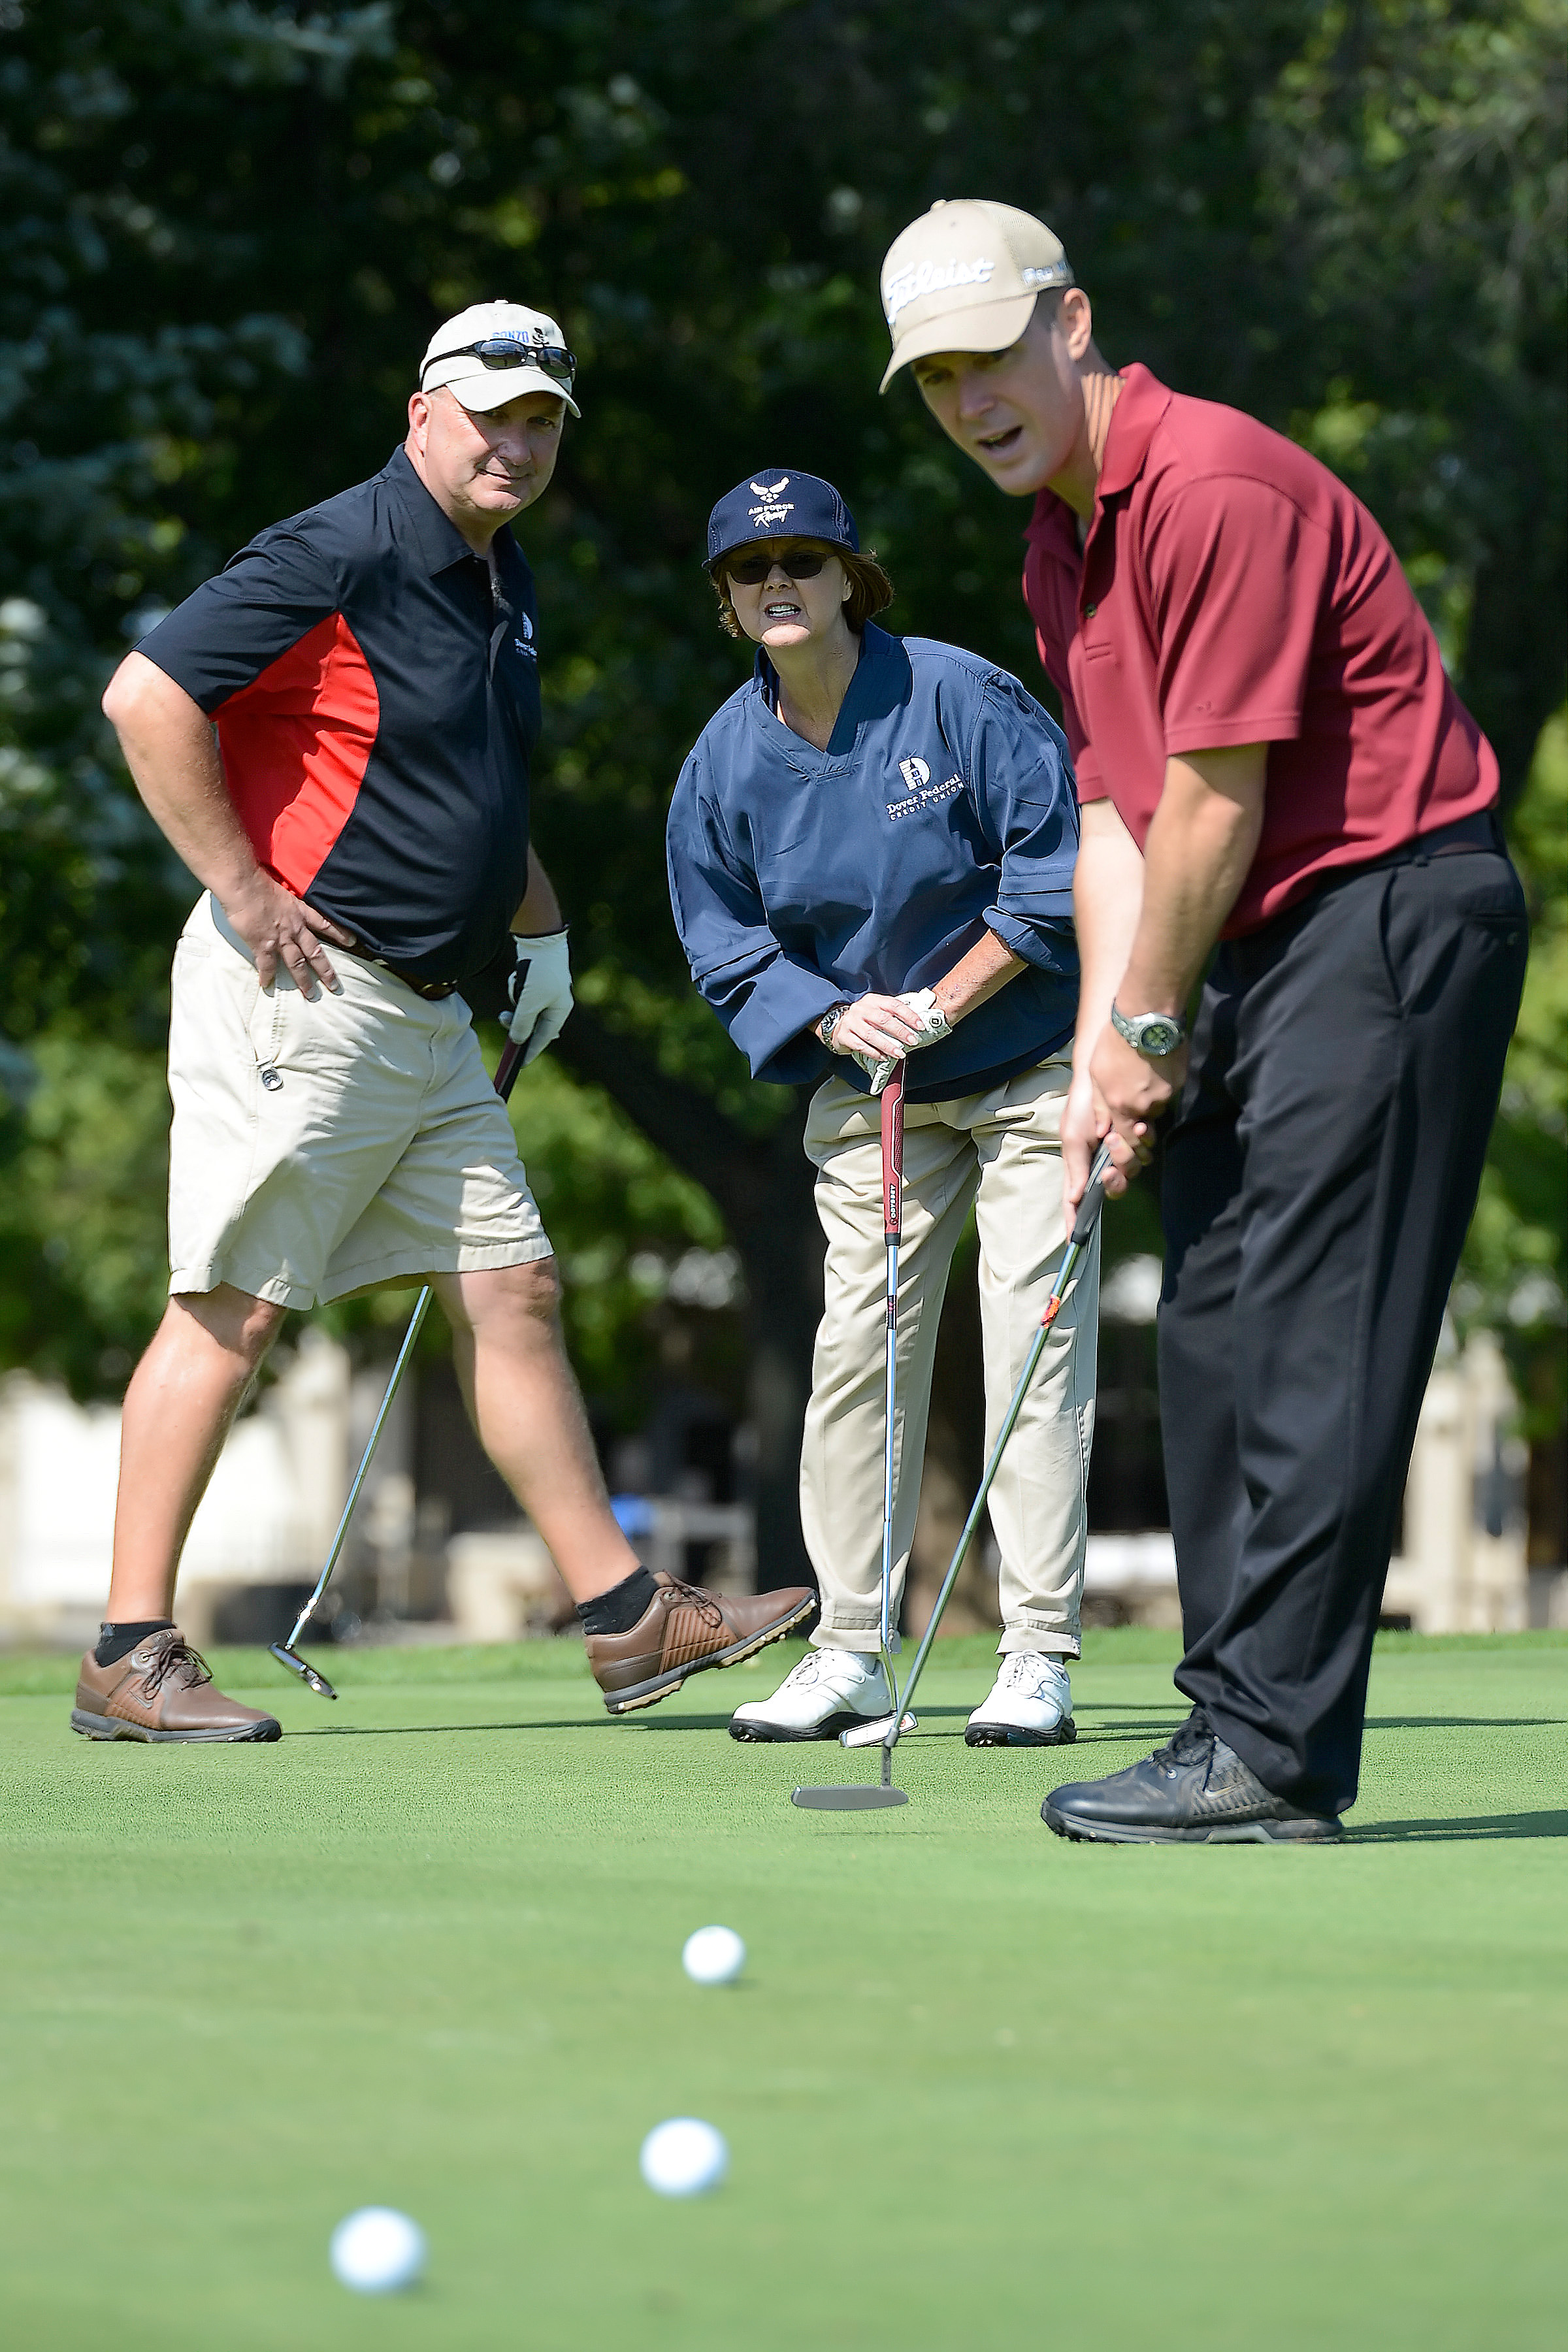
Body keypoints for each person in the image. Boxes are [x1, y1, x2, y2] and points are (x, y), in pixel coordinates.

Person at [879, 198, 1528, 1838]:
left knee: (1318, 1336)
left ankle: (1275, 1751)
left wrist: (1146, 1030)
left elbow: (1219, 803)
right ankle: (1232, 1731)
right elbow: (1114, 818)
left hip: (1388, 910)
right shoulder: (1061, 540)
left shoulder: (1215, 486)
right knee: (1220, 1332)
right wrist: (1104, 1048)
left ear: (1073, 324)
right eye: (935, 379)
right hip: (1243, 931)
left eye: (989, 356)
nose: (969, 402)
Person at [76, 301, 811, 1745]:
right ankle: (127, 1647)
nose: (518, 442)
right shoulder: (339, 548)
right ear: (423, 413)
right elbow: (146, 695)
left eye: (541, 419)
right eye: (492, 415)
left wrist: (535, 933)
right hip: (305, 985)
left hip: (426, 1010)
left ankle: (621, 1618)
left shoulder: (500, 578)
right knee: (236, 1308)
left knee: (512, 1289)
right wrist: (241, 884)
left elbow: (474, 794)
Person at [666, 468, 1093, 1748]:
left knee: (1033, 1345)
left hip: (1025, 1067)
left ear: (854, 578)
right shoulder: (722, 760)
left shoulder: (963, 697)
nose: (777, 582)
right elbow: (723, 937)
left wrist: (947, 1000)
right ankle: (849, 1645)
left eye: (802, 560)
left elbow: (1050, 873)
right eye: (751, 571)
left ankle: (1037, 1652)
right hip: (871, 1087)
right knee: (860, 1351)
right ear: (730, 607)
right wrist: (832, 1016)